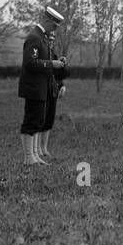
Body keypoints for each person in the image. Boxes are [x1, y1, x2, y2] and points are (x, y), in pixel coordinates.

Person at [18, 6, 66, 167]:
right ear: (46, 20)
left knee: (38, 120)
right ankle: (28, 157)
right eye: (54, 25)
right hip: (33, 87)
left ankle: (34, 155)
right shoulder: (34, 38)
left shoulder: (43, 38)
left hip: (41, 87)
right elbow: (30, 63)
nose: (54, 29)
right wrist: (51, 63)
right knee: (31, 121)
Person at [39, 29, 69, 163]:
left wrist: (62, 84)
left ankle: (44, 149)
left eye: (52, 40)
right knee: (41, 119)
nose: (51, 42)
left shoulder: (53, 54)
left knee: (49, 119)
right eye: (48, 39)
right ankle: (37, 149)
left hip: (53, 92)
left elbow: (58, 75)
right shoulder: (40, 54)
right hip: (41, 91)